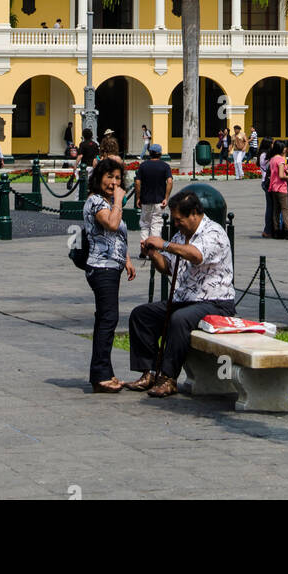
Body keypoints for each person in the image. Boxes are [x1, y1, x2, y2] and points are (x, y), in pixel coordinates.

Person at [128, 191, 236, 398]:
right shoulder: (181, 235)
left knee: (180, 320)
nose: (176, 224)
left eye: (179, 219)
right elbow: (167, 267)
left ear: (194, 213)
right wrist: (154, 253)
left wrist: (165, 244)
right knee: (141, 315)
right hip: (186, 299)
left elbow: (196, 255)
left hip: (215, 302)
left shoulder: (214, 232)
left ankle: (168, 378)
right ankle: (148, 372)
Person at [83, 158, 136, 393]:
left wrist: (126, 259)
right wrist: (118, 201)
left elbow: (115, 237)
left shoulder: (106, 202)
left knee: (106, 319)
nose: (114, 182)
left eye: (117, 178)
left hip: (111, 266)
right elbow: (112, 225)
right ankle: (101, 376)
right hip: (101, 268)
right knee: (108, 319)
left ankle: (104, 372)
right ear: (98, 178)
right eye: (109, 177)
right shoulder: (96, 202)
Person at [134, 143, 173, 241]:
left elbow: (137, 182)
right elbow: (170, 181)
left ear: (150, 153)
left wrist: (138, 197)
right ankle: (153, 248)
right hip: (159, 200)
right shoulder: (165, 166)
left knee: (145, 225)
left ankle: (144, 248)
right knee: (157, 224)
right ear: (160, 154)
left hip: (145, 199)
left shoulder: (143, 166)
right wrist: (166, 198)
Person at [267, 139, 288, 239]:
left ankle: (276, 231)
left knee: (276, 210)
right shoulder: (280, 160)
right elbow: (281, 175)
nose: (285, 149)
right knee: (285, 210)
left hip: (273, 187)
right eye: (284, 148)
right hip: (281, 187)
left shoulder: (273, 159)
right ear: (281, 149)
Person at [258, 137, 275, 237]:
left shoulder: (265, 155)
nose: (273, 145)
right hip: (267, 181)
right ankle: (267, 230)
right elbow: (267, 167)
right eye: (272, 143)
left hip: (266, 181)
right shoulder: (264, 155)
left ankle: (269, 229)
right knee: (270, 207)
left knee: (271, 207)